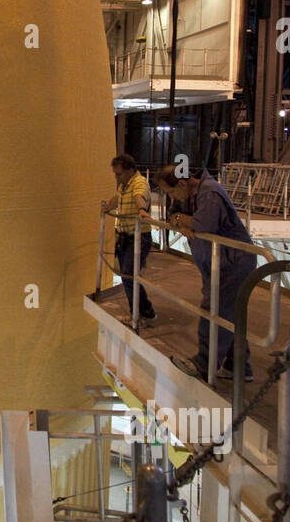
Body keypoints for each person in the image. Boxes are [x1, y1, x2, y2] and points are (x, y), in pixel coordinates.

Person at [155, 164, 257, 383]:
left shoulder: (209, 193)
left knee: (215, 311)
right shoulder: (190, 193)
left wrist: (183, 220)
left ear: (182, 183)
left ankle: (203, 364)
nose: (171, 197)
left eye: (171, 192)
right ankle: (238, 366)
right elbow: (172, 215)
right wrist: (180, 219)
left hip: (233, 263)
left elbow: (204, 225)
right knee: (230, 315)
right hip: (218, 262)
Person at [102, 154, 156, 326]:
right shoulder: (124, 185)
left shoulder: (139, 183)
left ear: (130, 170)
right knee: (127, 275)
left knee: (129, 275)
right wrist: (107, 207)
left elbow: (139, 196)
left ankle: (143, 314)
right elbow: (117, 199)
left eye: (119, 174)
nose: (117, 177)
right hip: (126, 237)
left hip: (139, 237)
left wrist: (142, 209)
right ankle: (141, 312)